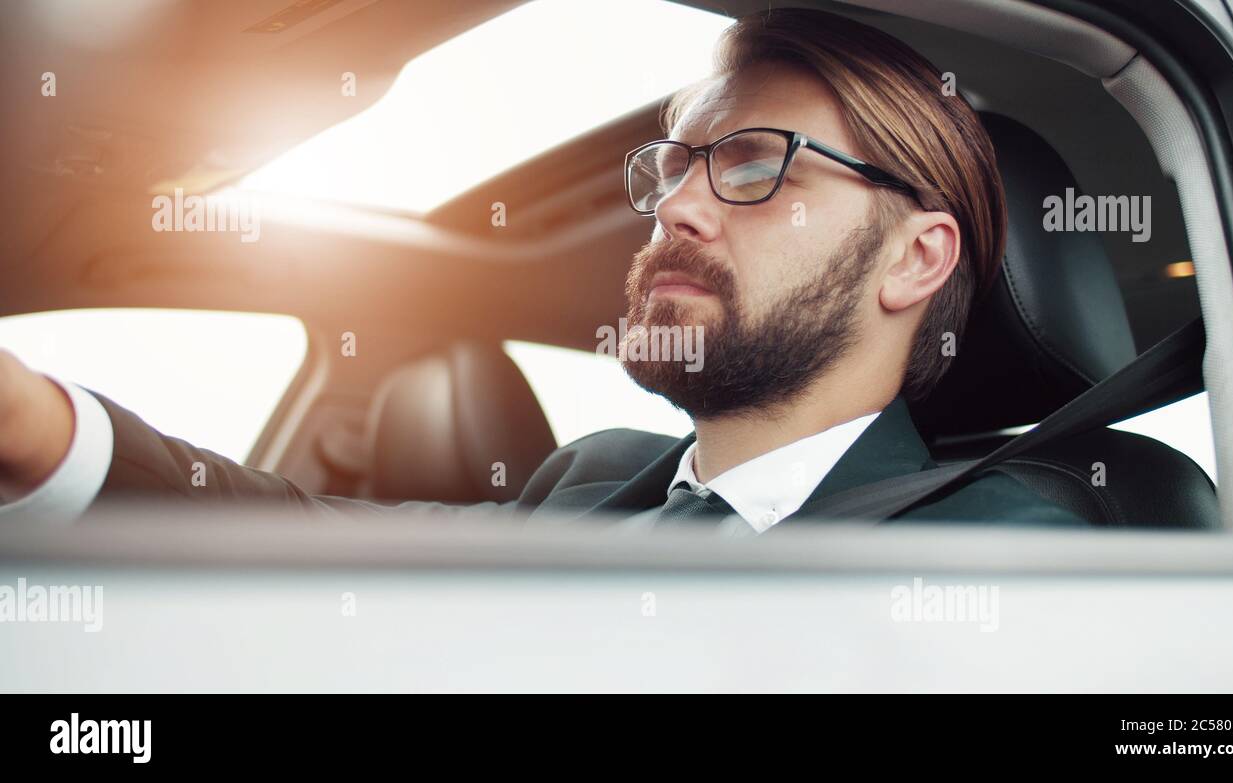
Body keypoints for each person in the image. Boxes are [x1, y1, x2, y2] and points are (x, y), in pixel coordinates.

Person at [0, 8, 1087, 533]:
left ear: (915, 258)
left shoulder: (1010, 546)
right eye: (671, 169)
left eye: (754, 164)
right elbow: (314, 543)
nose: (678, 206)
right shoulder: (593, 479)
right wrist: (29, 424)